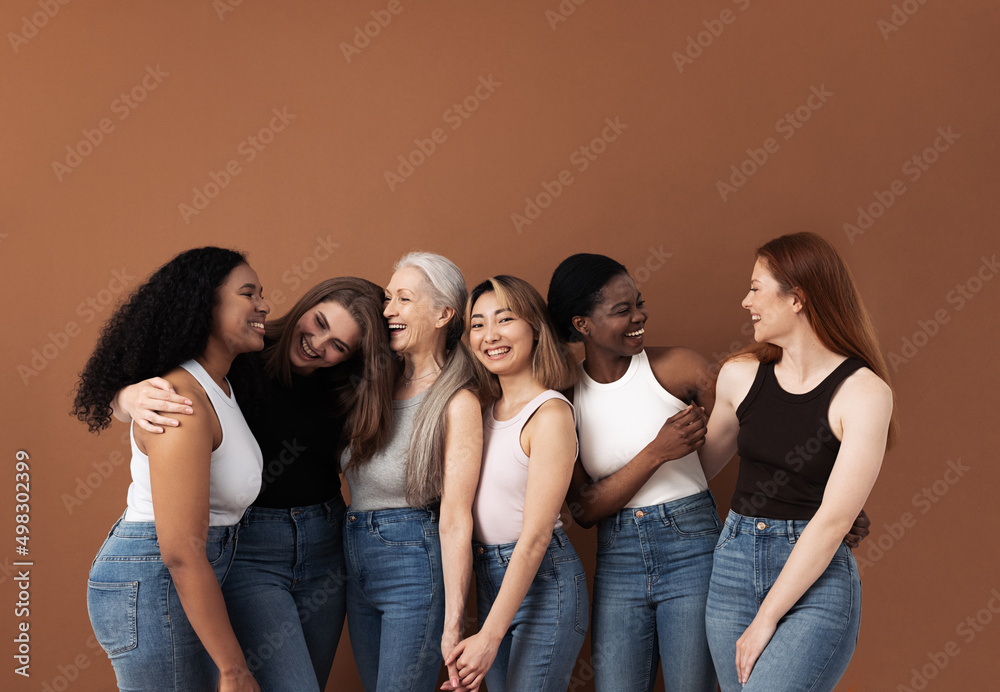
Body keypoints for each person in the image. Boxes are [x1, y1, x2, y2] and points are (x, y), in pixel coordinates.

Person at [111, 277, 395, 692]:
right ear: (306, 306)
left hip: (326, 545)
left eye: (338, 345)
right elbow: (152, 385)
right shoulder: (244, 351)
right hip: (252, 546)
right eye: (318, 323)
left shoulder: (351, 384)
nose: (318, 344)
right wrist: (128, 398)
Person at [700, 232, 897, 691]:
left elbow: (833, 522)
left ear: (797, 299)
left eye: (756, 288)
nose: (745, 301)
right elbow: (695, 472)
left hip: (815, 575)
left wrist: (766, 617)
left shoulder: (865, 393)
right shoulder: (739, 376)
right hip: (732, 565)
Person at [73, 247, 268, 691]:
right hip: (156, 578)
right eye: (248, 294)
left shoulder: (221, 384)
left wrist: (121, 399)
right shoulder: (180, 401)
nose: (264, 305)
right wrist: (234, 669)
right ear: (205, 305)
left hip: (190, 573)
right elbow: (181, 552)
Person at [546, 253, 721, 692]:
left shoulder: (680, 368)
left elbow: (757, 438)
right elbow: (584, 509)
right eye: (622, 310)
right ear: (583, 324)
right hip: (618, 559)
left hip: (692, 548)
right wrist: (657, 452)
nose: (639, 316)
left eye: (639, 304)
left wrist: (819, 504)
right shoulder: (564, 399)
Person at [341, 252, 483, 692]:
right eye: (388, 299)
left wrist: (454, 623)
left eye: (404, 299)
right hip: (353, 556)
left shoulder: (458, 402)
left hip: (413, 565)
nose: (388, 311)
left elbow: (456, 518)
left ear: (443, 314)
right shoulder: (374, 385)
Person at [444, 275, 587, 692]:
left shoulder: (550, 414)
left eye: (504, 319)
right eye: (478, 324)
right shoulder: (479, 412)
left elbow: (537, 536)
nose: (490, 335)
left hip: (544, 580)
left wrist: (488, 637)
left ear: (535, 328)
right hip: (489, 574)